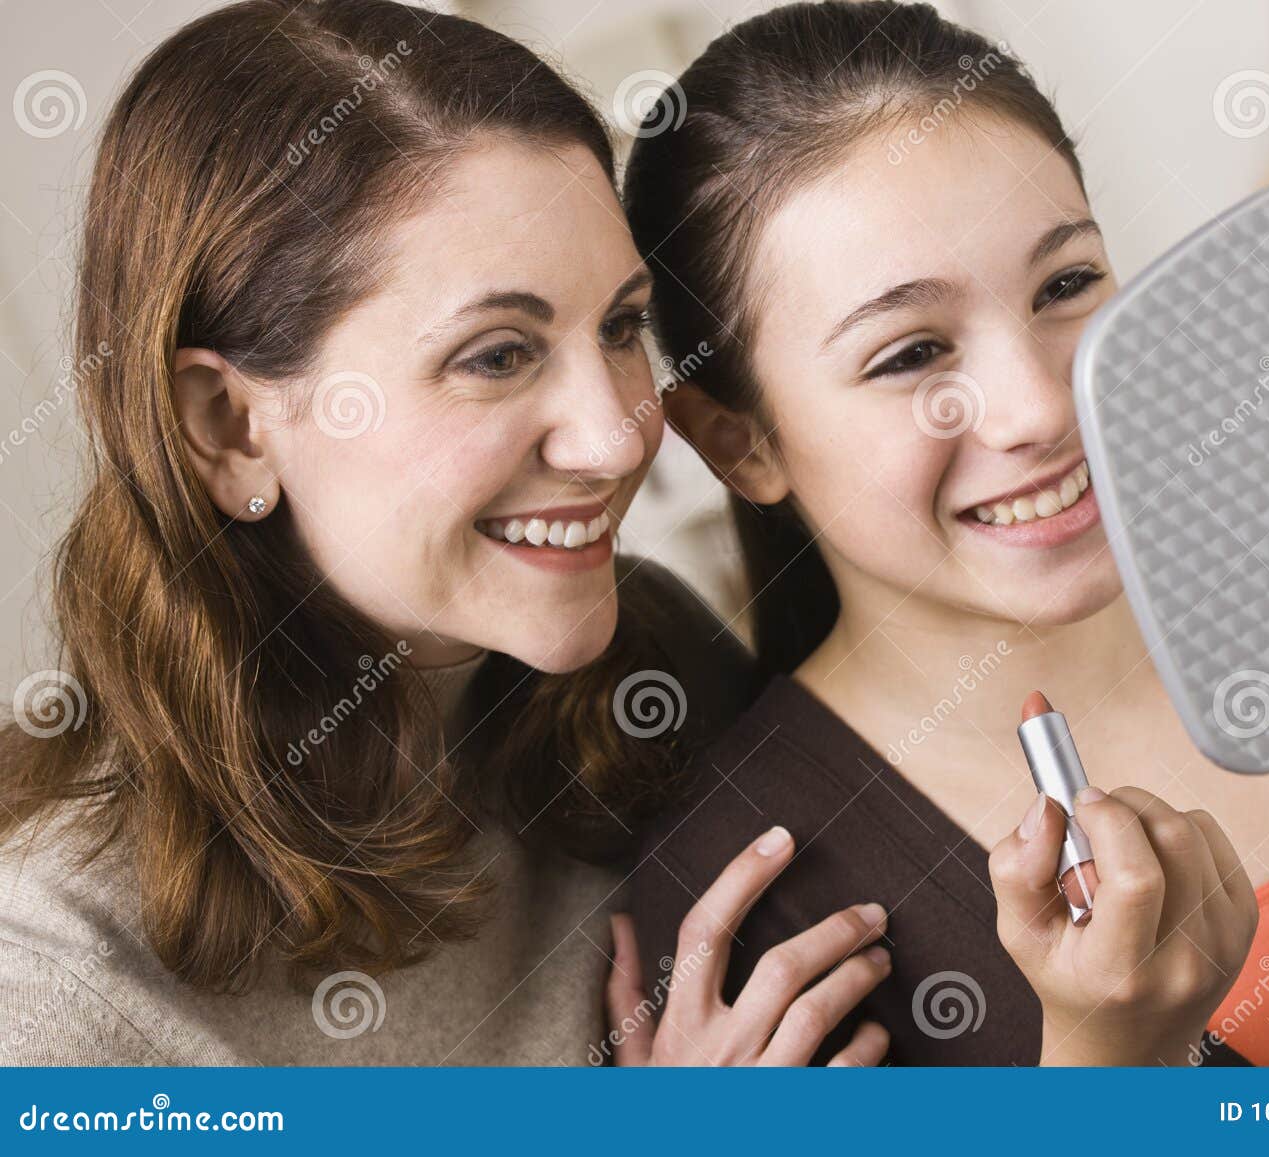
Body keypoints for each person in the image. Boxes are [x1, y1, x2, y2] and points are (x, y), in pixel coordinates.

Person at [623, 0, 1269, 1066]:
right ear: (738, 441)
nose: (1041, 406)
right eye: (908, 353)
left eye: (1066, 284)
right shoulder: (745, 933)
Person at [0, 0, 888, 1068]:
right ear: (230, 428)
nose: (617, 437)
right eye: (497, 354)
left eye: (617, 328)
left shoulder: (653, 659)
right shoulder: (55, 996)